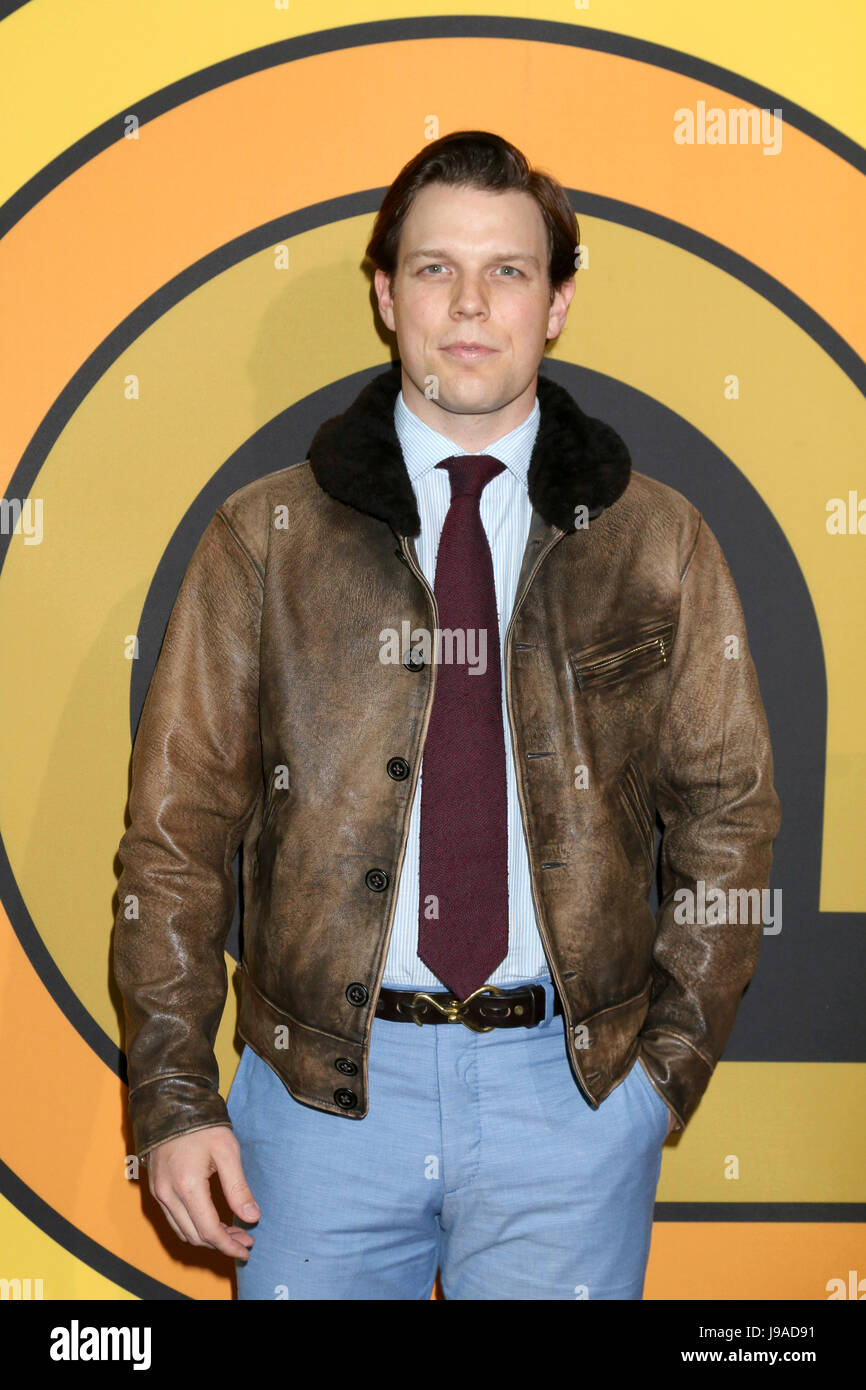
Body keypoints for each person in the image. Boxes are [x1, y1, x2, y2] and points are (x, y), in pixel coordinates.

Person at [113, 129, 781, 1300]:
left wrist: (657, 1077)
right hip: (319, 1106)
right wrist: (173, 1096)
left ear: (558, 302)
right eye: (433, 268)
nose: (469, 304)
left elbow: (730, 816)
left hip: (568, 1106)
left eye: (508, 271)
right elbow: (174, 840)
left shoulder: (656, 540)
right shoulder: (262, 540)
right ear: (383, 293)